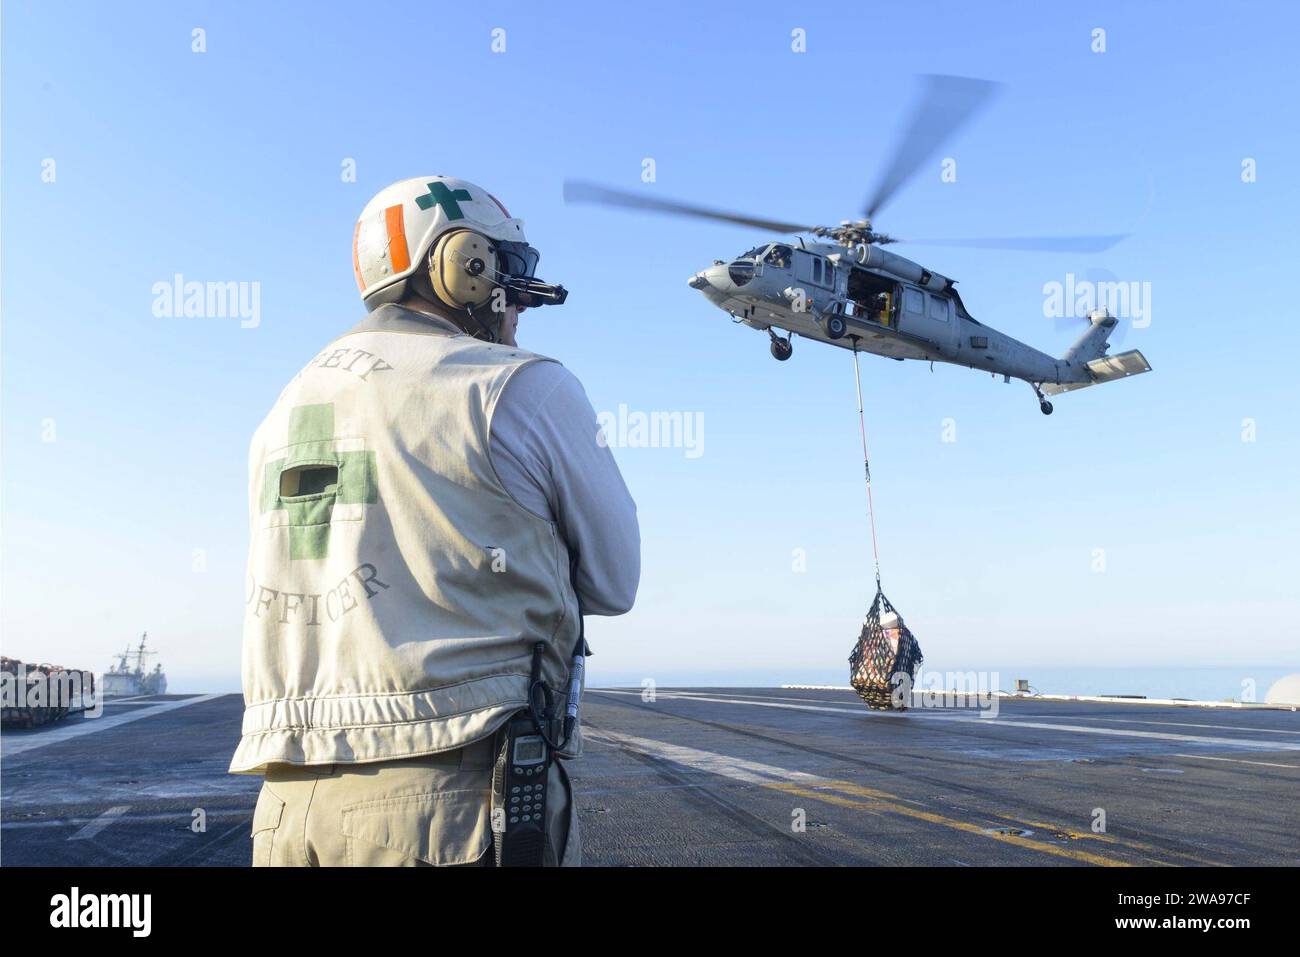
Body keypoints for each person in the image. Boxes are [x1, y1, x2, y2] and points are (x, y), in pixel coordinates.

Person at [229, 175, 640, 867]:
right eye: (510, 277)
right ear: (466, 265)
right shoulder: (520, 386)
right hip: (446, 810)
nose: (518, 313)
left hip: (284, 814)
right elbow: (615, 579)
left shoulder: (280, 412)